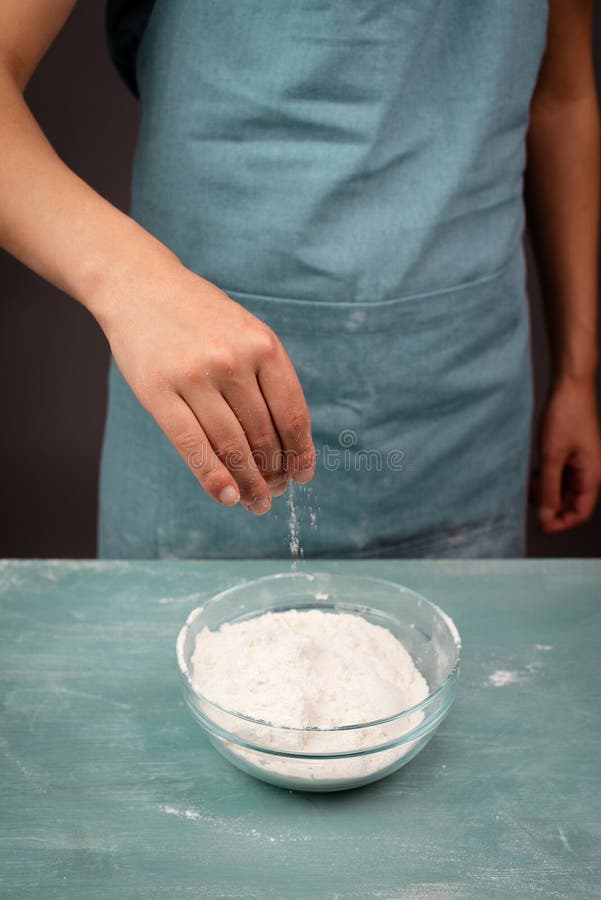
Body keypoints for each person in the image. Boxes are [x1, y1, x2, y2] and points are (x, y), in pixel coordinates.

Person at [1, 0, 599, 559]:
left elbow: (562, 94)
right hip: (209, 413)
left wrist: (577, 372)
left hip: (463, 415)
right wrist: (132, 282)